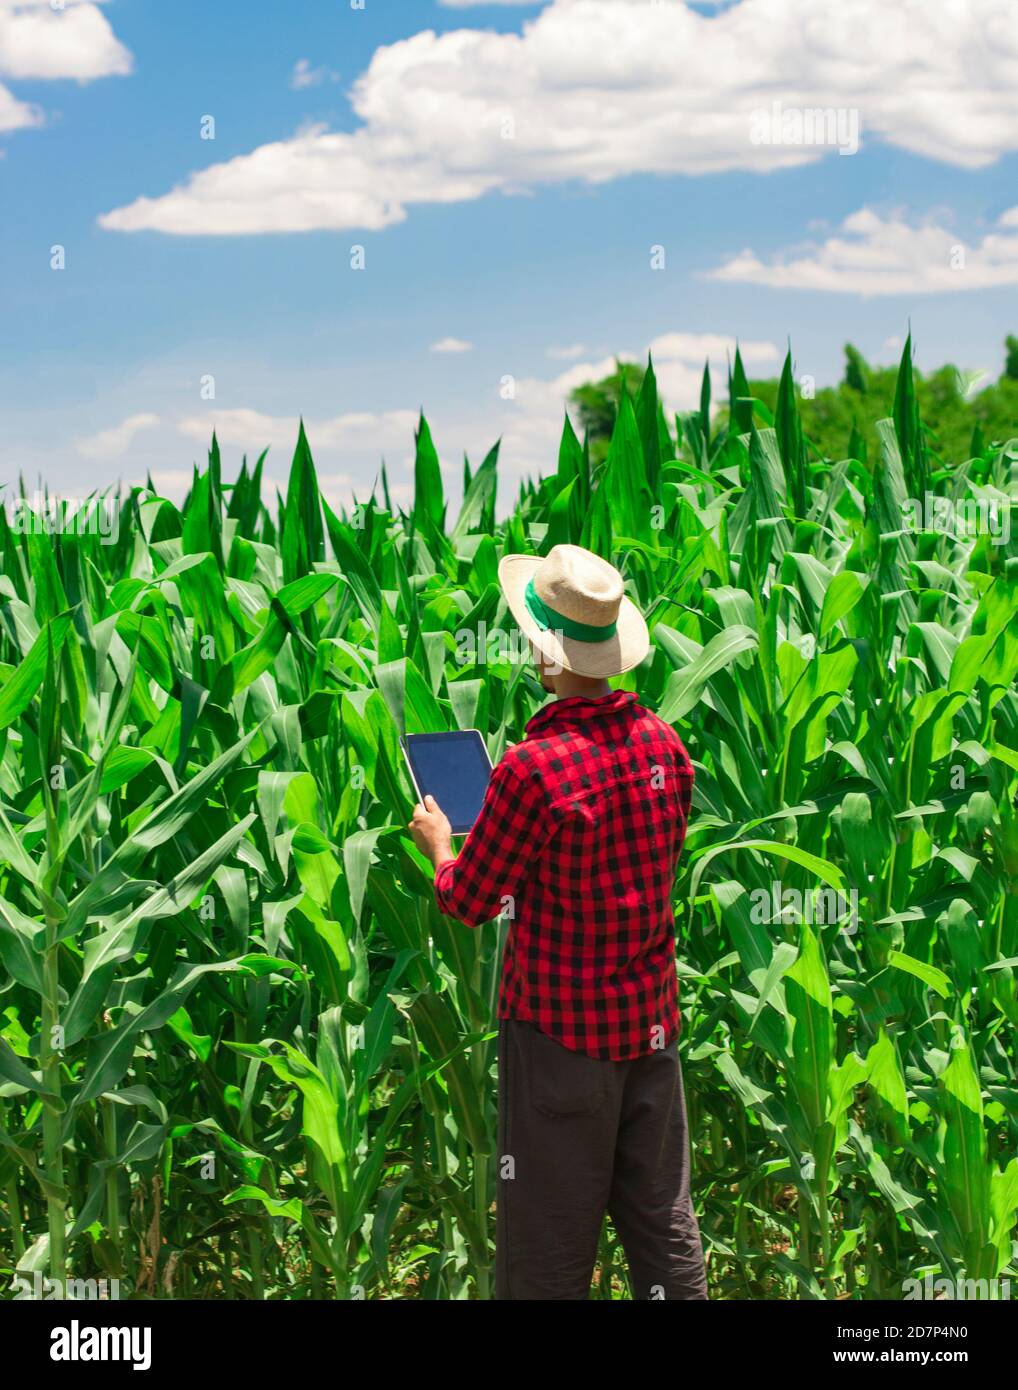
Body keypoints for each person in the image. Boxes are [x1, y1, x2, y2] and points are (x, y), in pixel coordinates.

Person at [409, 543, 707, 1301]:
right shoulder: (667, 750)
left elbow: (471, 901)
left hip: (560, 1045)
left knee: (547, 1248)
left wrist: (442, 847)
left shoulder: (531, 769)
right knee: (663, 1228)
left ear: (545, 651)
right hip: (651, 1035)